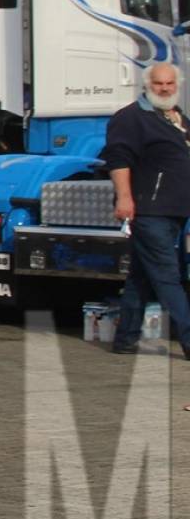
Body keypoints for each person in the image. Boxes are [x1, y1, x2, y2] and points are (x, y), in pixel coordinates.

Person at [101, 62, 190, 357]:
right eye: (158, 83)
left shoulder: (178, 118)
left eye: (169, 84)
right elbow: (118, 159)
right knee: (167, 276)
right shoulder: (131, 118)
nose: (164, 88)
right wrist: (124, 198)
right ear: (146, 85)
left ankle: (125, 339)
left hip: (175, 211)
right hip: (150, 210)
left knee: (140, 276)